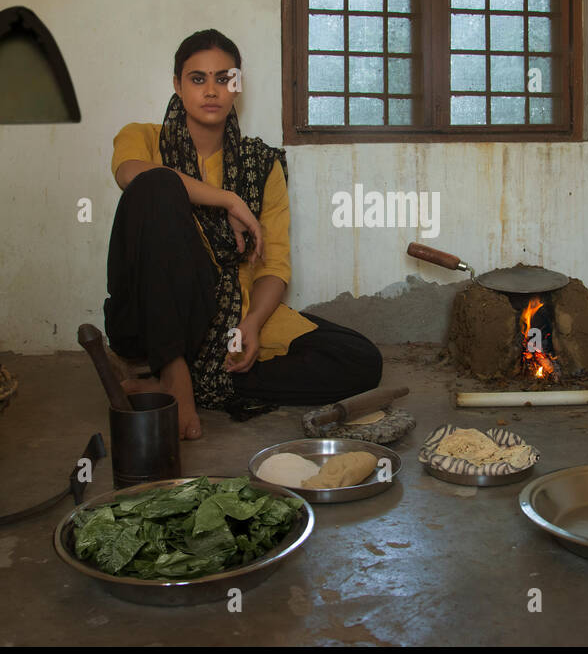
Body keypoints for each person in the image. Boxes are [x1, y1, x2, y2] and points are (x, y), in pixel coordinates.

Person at [103, 29, 382, 440]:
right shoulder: (143, 138)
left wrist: (250, 324)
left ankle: (194, 382)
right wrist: (227, 200)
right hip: (146, 317)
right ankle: (175, 374)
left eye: (224, 78)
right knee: (158, 186)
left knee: (360, 361)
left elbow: (274, 265)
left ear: (237, 86)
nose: (211, 90)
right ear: (177, 86)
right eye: (197, 79)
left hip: (228, 309)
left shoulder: (261, 164)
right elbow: (131, 175)